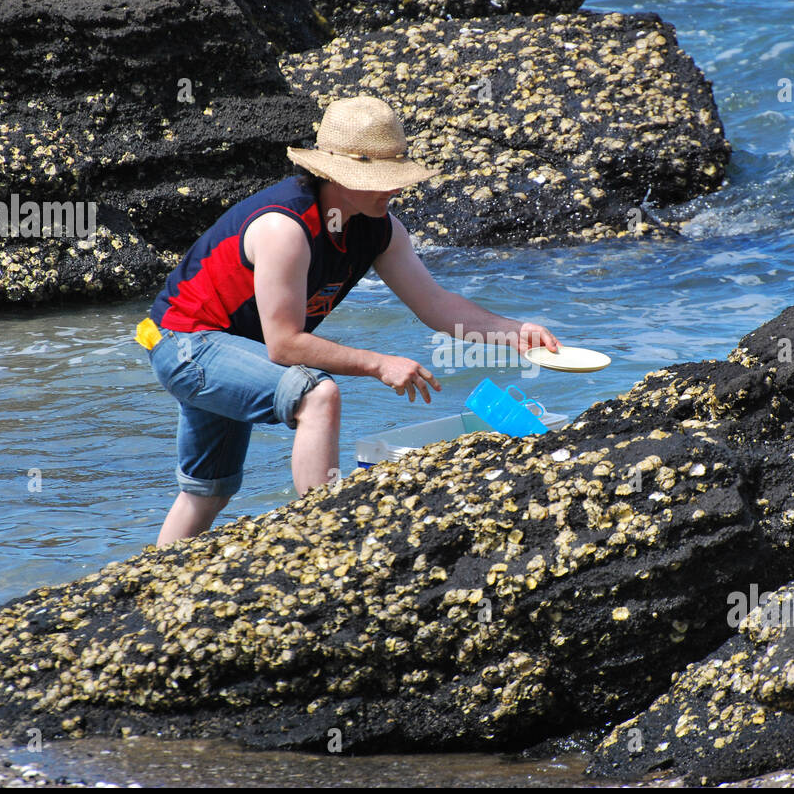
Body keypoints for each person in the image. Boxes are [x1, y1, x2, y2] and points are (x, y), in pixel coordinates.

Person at [135, 96, 561, 547]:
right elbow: (284, 346)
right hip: (185, 344)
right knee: (316, 395)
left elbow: (435, 304)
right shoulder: (285, 229)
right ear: (336, 176)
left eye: (394, 177)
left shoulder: (379, 228)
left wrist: (513, 332)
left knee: (208, 494)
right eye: (379, 180)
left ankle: (146, 586)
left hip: (233, 348)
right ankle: (325, 539)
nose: (392, 189)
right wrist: (379, 363)